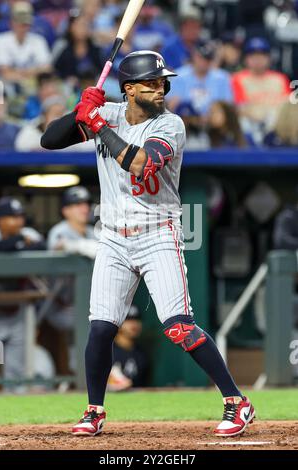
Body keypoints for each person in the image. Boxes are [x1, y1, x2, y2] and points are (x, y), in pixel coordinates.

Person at [41, 50, 255, 438]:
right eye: (153, 83)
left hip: (158, 234)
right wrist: (79, 112)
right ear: (130, 89)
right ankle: (94, 410)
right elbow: (48, 141)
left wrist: (97, 124)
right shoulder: (107, 114)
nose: (162, 89)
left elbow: (139, 163)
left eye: (163, 83)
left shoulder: (171, 124)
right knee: (102, 328)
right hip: (113, 238)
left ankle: (237, 401)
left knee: (178, 327)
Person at [40, 186, 99, 376]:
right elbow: (59, 246)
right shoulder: (59, 231)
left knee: (101, 324)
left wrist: (80, 246)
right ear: (65, 210)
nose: (83, 208)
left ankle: (88, 374)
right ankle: (82, 374)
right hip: (58, 305)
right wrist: (78, 247)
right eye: (76, 205)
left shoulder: (93, 232)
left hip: (87, 304)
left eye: (85, 204)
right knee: (92, 328)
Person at [0, 197, 45, 388]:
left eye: (20, 217)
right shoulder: (21, 236)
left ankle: (13, 410)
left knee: (15, 370)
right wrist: (18, 241)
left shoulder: (28, 233)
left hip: (17, 310)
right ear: (0, 220)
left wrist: (15, 242)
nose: (18, 222)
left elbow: (42, 247)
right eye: (11, 217)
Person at [232, 37, 290, 131]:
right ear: (246, 59)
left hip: (278, 127)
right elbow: (240, 108)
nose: (257, 59)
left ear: (269, 58)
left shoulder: (280, 79)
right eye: (253, 55)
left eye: (262, 55)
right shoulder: (237, 79)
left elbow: (288, 107)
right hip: (251, 127)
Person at [168, 41, 234, 118]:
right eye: (201, 58)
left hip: (213, 123)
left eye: (207, 59)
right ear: (194, 56)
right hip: (186, 122)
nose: (204, 62)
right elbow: (171, 106)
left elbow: (227, 106)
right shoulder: (179, 76)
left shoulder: (222, 78)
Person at [0, 2, 52, 94]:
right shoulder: (1, 40)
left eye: (25, 24)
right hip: (7, 88)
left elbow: (47, 69)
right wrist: (32, 72)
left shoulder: (38, 40)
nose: (22, 27)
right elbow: (5, 73)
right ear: (11, 23)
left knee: (50, 86)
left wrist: (19, 73)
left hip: (35, 87)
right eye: (19, 23)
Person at [53, 10, 104, 82]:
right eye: (77, 25)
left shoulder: (96, 50)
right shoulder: (62, 47)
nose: (81, 29)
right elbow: (56, 72)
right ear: (70, 28)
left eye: (83, 25)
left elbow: (103, 72)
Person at [108, 305, 148, 391]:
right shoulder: (106, 351)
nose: (134, 324)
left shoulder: (141, 354)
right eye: (128, 320)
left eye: (136, 319)